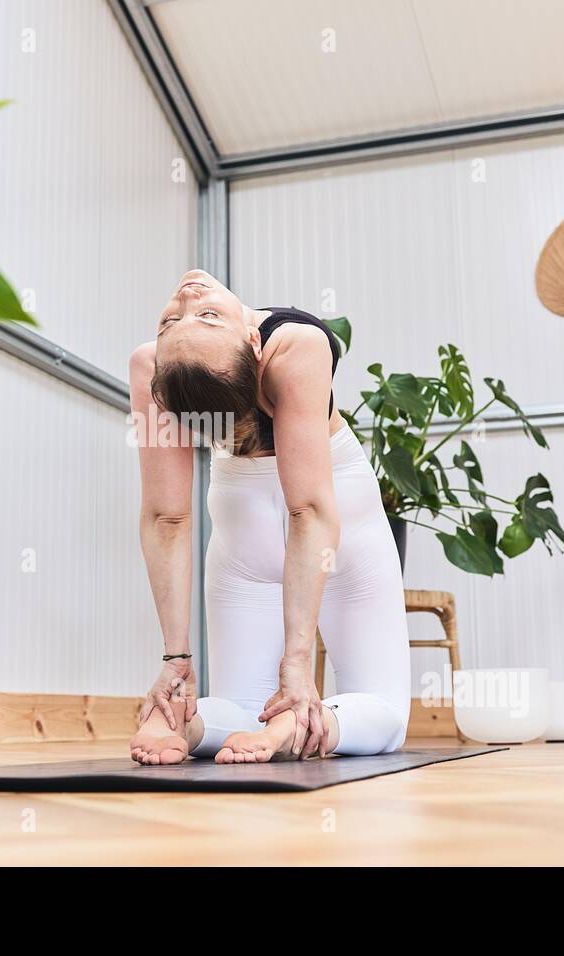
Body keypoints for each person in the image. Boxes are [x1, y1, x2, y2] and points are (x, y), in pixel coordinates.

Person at [128, 269, 410, 764]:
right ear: (255, 343)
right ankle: (281, 725)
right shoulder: (295, 343)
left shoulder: (148, 364)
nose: (186, 298)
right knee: (385, 709)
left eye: (203, 316)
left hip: (244, 519)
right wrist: (297, 666)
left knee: (239, 704)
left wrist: (177, 660)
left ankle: (182, 723)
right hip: (339, 517)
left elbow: (165, 518)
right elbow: (311, 509)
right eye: (172, 321)